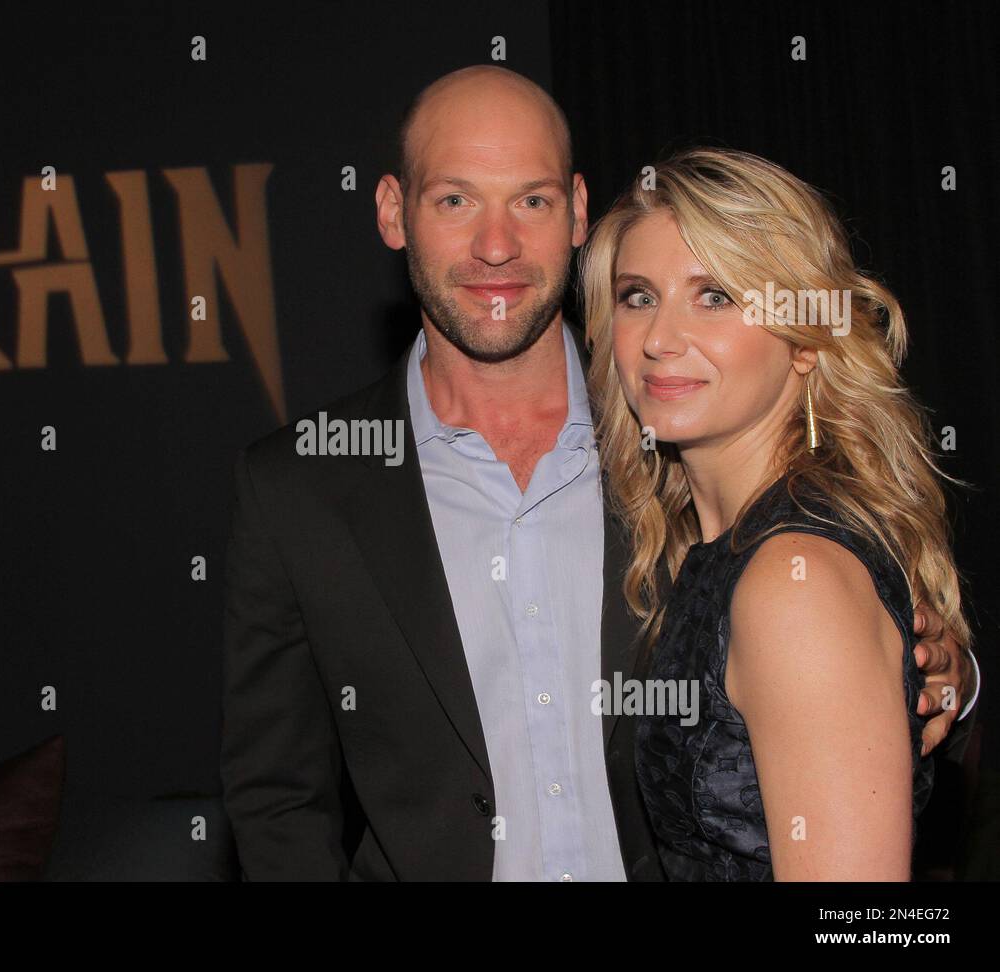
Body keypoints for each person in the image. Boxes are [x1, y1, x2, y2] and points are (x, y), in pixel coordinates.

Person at [219, 65, 977, 880]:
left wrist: (939, 682)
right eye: (455, 199)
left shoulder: (676, 436)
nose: (497, 245)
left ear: (577, 211)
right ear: (393, 213)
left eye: (532, 200)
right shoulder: (297, 487)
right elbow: (276, 799)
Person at [579, 146, 976, 880]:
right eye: (638, 296)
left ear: (803, 342)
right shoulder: (720, 544)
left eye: (715, 295)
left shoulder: (793, 579)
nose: (660, 339)